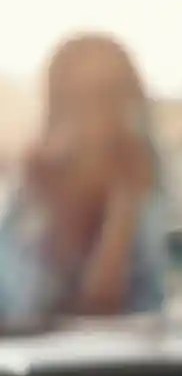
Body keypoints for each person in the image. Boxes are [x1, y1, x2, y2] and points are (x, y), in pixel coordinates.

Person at [0, 34, 166, 328]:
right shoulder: (30, 192)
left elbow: (134, 311)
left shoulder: (142, 185)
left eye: (108, 95)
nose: (95, 115)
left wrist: (123, 208)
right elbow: (28, 311)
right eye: (77, 98)